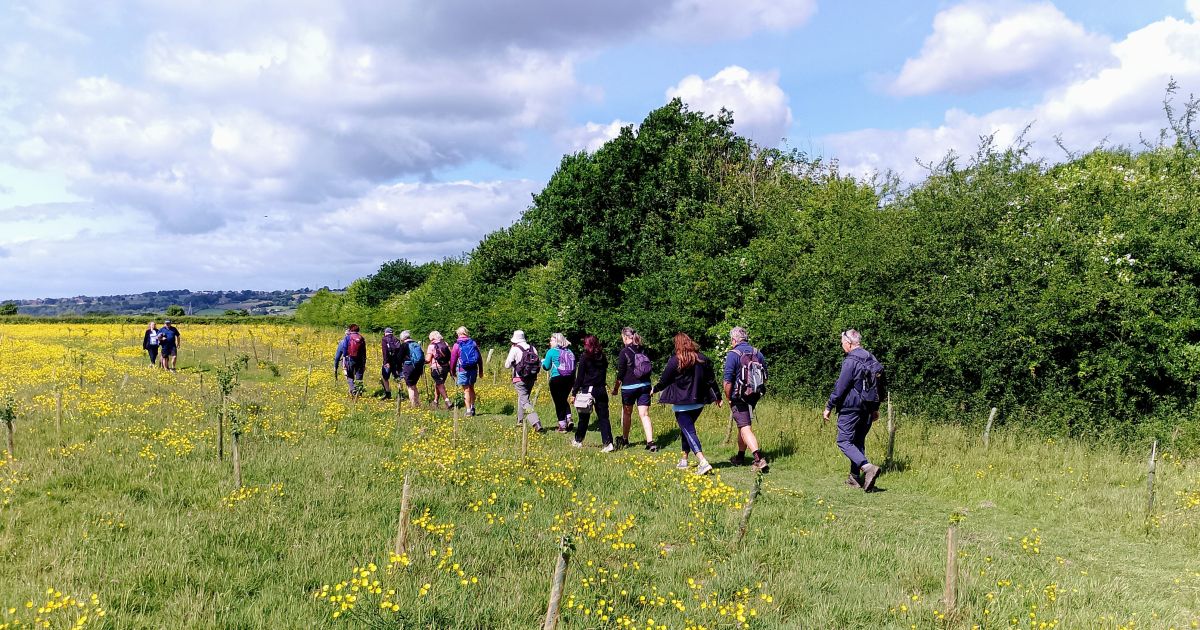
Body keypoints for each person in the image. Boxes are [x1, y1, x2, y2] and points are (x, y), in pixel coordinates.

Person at [823, 329, 885, 491]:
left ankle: (867, 467)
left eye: (842, 343)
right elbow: (879, 386)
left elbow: (840, 387)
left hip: (851, 407)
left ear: (849, 343)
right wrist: (875, 408)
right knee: (858, 442)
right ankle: (855, 478)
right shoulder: (871, 358)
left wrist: (829, 406)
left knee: (843, 441)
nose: (842, 346)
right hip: (868, 408)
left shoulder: (850, 361)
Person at [653, 333, 722, 475]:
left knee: (689, 431)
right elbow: (711, 380)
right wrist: (718, 396)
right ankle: (684, 459)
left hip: (681, 403)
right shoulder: (702, 359)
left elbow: (664, 380)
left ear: (677, 345)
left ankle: (703, 462)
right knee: (686, 429)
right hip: (698, 402)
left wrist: (654, 389)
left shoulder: (675, 361)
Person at [723, 326, 769, 473]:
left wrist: (729, 398)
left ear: (734, 340)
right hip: (754, 395)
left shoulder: (733, 354)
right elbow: (765, 377)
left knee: (745, 428)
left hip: (739, 397)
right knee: (742, 425)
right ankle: (740, 457)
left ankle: (758, 459)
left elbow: (727, 382)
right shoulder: (757, 352)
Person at [611, 327, 657, 451]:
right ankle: (651, 442)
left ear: (625, 337)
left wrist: (615, 389)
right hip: (645, 386)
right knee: (644, 414)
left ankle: (625, 439)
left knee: (627, 413)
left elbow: (621, 374)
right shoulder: (643, 349)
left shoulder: (624, 352)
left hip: (629, 387)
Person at [569, 334, 614, 451]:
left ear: (587, 344)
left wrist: (574, 392)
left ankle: (578, 440)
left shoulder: (585, 357)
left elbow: (580, 377)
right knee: (604, 417)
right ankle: (608, 443)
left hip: (588, 390)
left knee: (584, 417)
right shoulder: (603, 357)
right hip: (601, 389)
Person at [503, 330, 544, 432]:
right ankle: (520, 420)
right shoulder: (533, 348)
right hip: (531, 378)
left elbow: (507, 365)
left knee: (525, 402)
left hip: (519, 379)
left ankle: (535, 421)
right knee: (523, 398)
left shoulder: (515, 349)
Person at [542, 333, 576, 432]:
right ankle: (569, 418)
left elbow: (546, 367)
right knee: (563, 399)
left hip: (557, 378)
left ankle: (562, 426)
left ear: (557, 341)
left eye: (551, 340)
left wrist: (542, 362)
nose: (550, 342)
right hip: (570, 379)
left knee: (558, 402)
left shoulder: (551, 351)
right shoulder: (570, 352)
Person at [448, 326, 483, 416]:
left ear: (458, 334)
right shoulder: (473, 343)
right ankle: (473, 407)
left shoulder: (457, 345)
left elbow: (453, 360)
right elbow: (479, 358)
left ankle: (468, 411)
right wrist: (481, 370)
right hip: (473, 368)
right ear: (466, 333)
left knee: (466, 390)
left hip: (462, 369)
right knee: (471, 388)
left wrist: (452, 371)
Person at [334, 324, 367, 398]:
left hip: (350, 359)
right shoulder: (361, 338)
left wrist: (344, 361)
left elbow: (345, 350)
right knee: (359, 377)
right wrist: (364, 363)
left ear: (350, 329)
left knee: (350, 376)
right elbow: (364, 352)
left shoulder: (347, 338)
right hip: (360, 360)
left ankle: (353, 389)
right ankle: (359, 393)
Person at [425, 331, 453, 410]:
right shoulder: (445, 344)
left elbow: (428, 359)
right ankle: (435, 401)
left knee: (440, 384)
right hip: (445, 367)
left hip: (436, 368)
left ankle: (447, 401)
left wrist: (422, 361)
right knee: (439, 384)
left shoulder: (431, 346)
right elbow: (450, 355)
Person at [399, 330, 425, 408]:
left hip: (409, 367)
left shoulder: (404, 345)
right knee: (414, 385)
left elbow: (399, 357)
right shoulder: (416, 344)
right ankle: (418, 403)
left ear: (402, 338)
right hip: (418, 367)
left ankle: (413, 405)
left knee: (410, 387)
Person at [380, 328, 403, 400]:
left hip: (388, 362)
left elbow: (385, 352)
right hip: (396, 362)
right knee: (398, 378)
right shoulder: (396, 339)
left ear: (385, 333)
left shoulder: (384, 339)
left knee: (385, 378)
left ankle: (388, 394)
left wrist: (386, 362)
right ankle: (400, 395)